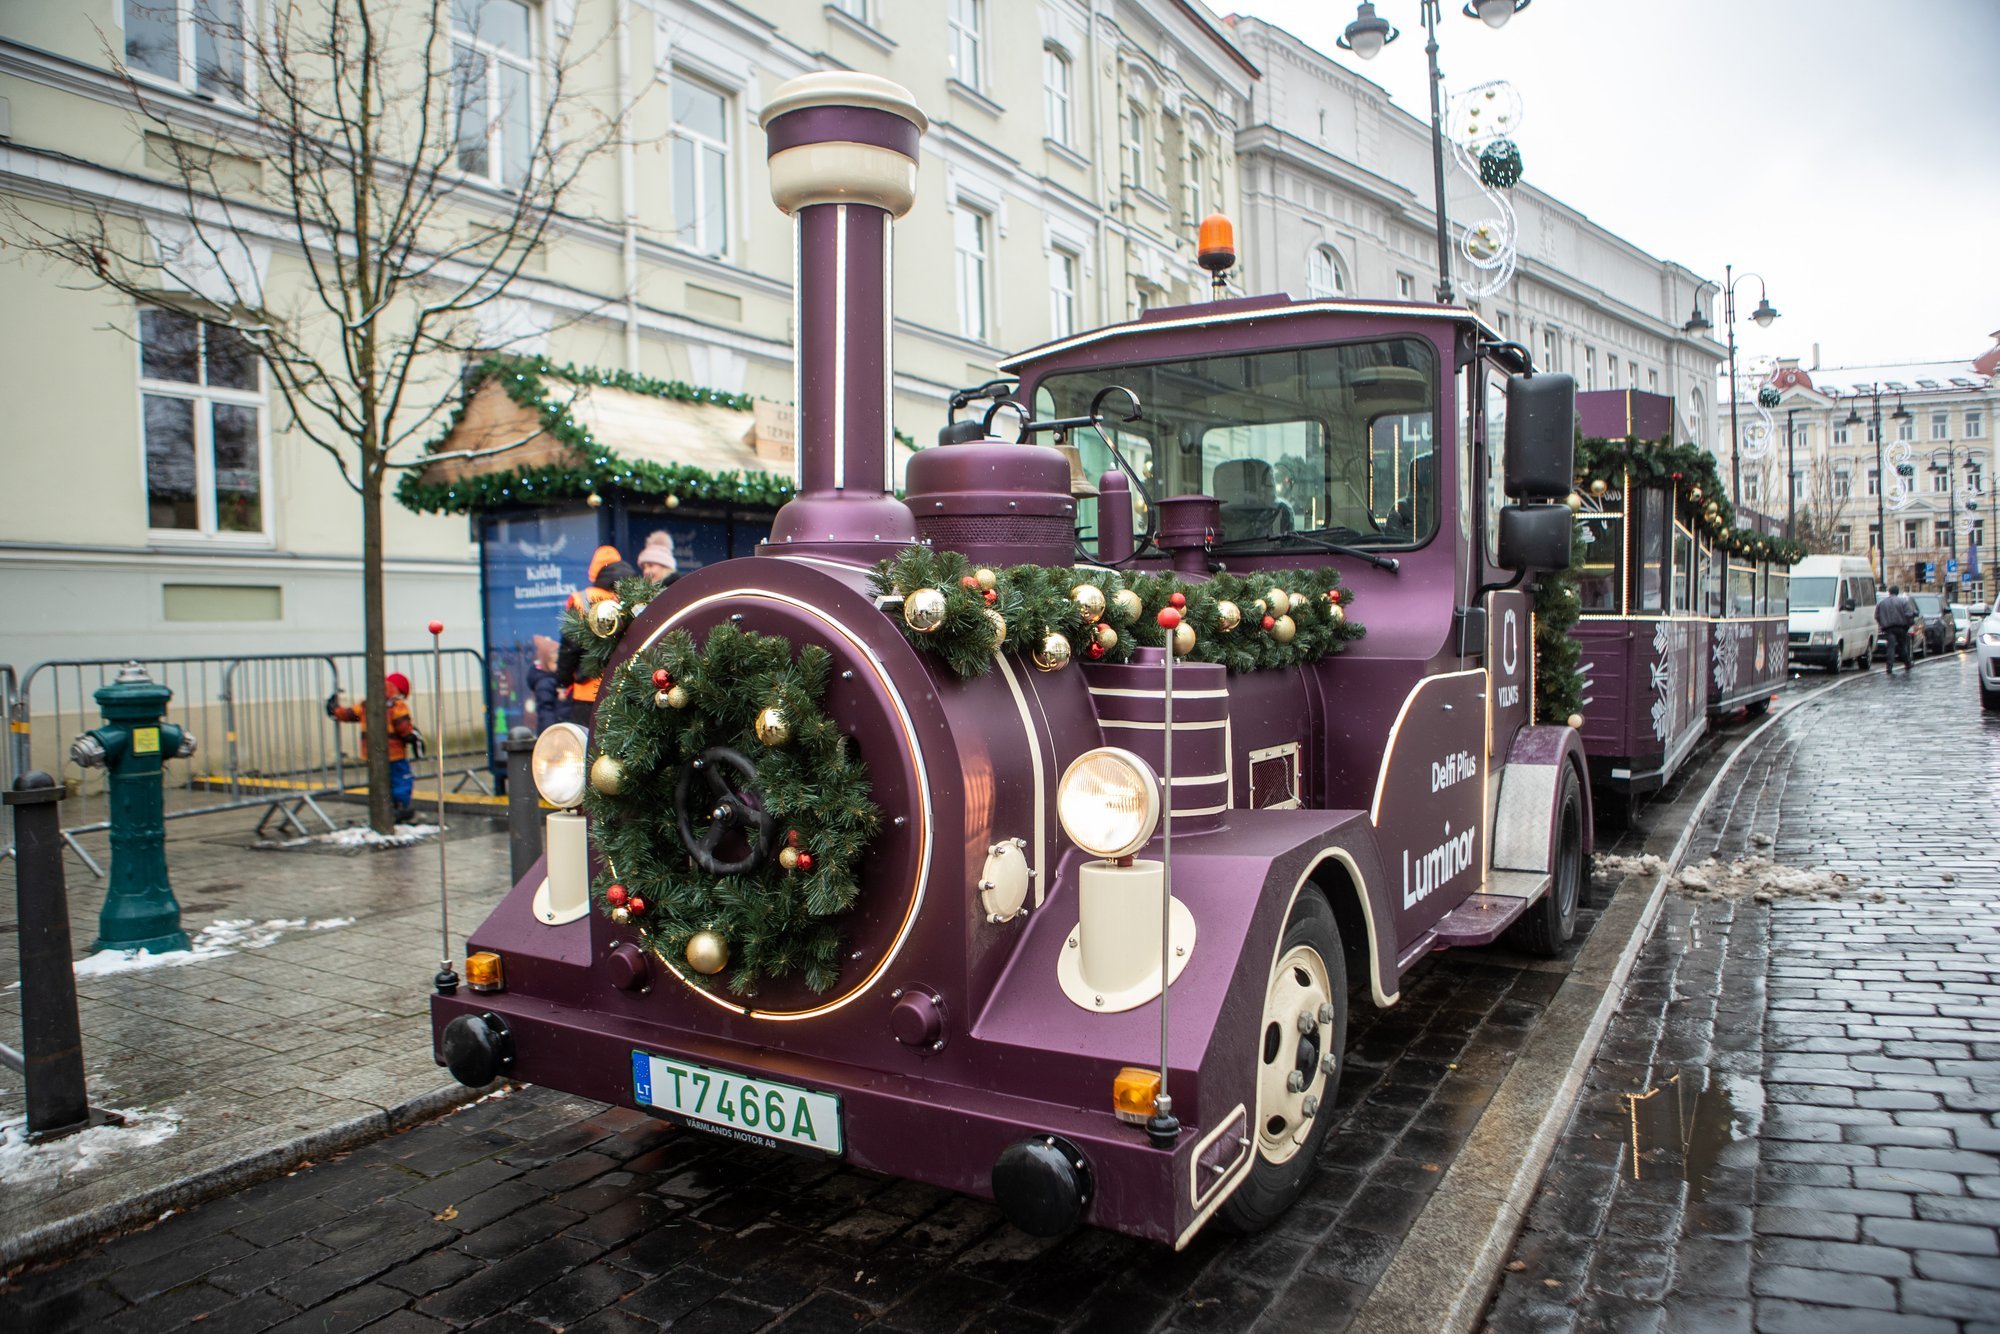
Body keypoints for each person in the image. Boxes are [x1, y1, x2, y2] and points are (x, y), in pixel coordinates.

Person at [327, 673, 423, 824]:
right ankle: (399, 808)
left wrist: (334, 710)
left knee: (381, 780)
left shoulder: (367, 703)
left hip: (372, 753)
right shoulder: (397, 705)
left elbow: (349, 714)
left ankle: (384, 807)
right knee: (401, 779)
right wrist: (411, 735)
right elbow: (403, 727)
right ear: (400, 691)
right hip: (394, 753)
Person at [559, 556, 638, 725]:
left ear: (595, 571)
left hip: (587, 693)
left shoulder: (582, 599)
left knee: (587, 745)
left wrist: (563, 680)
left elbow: (569, 648)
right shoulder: (635, 600)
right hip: (625, 691)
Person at [526, 633, 567, 734]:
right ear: (545, 660)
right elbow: (545, 712)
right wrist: (551, 733)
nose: (559, 665)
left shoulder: (553, 679)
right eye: (556, 662)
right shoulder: (545, 682)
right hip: (555, 733)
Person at [1875, 583, 1917, 673]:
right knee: (1902, 646)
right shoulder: (1903, 602)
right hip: (1901, 627)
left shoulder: (1882, 603)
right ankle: (1907, 663)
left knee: (1891, 647)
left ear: (1889, 592)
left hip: (1888, 628)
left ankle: (1889, 667)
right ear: (1897, 592)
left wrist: (1882, 624)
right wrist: (1910, 621)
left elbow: (1877, 616)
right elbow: (1908, 615)